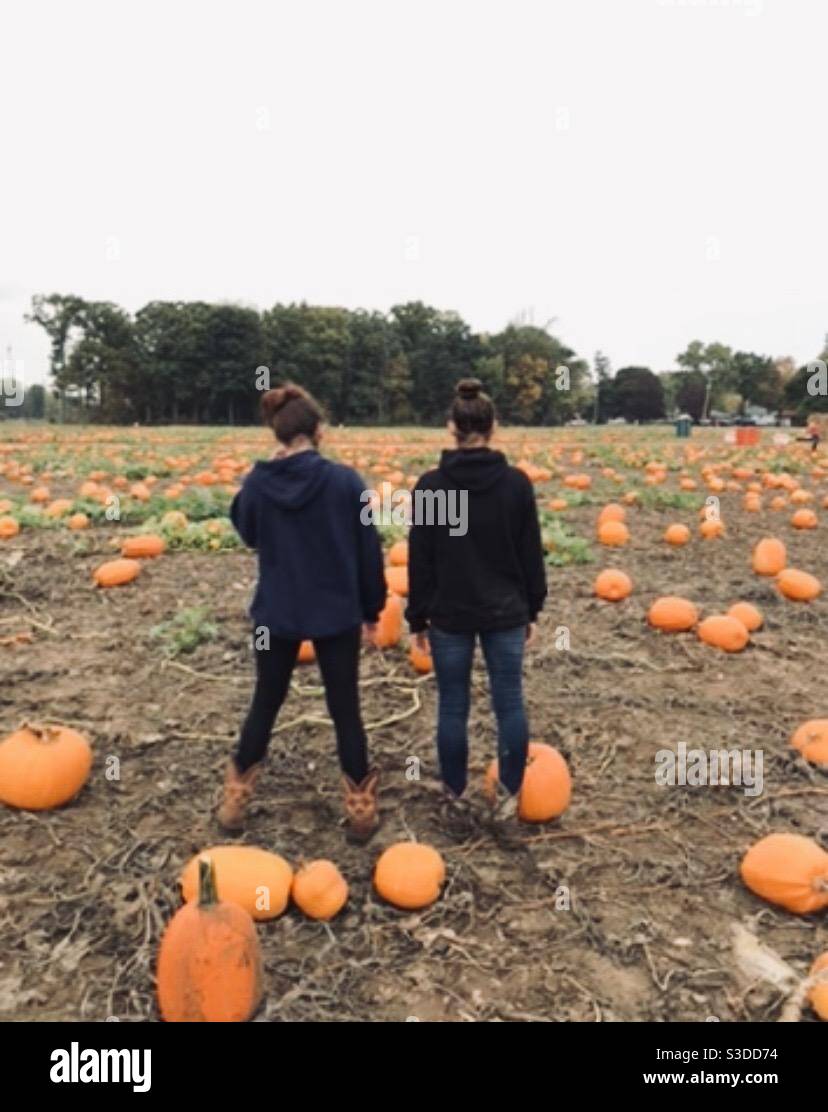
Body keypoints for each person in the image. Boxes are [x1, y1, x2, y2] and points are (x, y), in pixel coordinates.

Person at [221, 384, 387, 841]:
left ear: (278, 435)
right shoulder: (346, 482)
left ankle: (235, 802)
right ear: (319, 431)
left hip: (276, 613)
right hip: (337, 613)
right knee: (345, 707)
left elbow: (247, 530)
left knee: (266, 700)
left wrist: (258, 474)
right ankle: (361, 811)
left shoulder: (259, 483)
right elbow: (368, 550)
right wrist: (372, 608)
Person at [406, 378, 547, 825]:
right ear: (494, 427)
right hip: (506, 611)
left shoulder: (433, 486)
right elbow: (530, 554)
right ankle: (507, 799)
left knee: (452, 705)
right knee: (509, 702)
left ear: (451, 427)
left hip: (450, 614)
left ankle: (454, 798)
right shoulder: (515, 485)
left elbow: (421, 560)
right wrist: (533, 607)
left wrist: (417, 618)